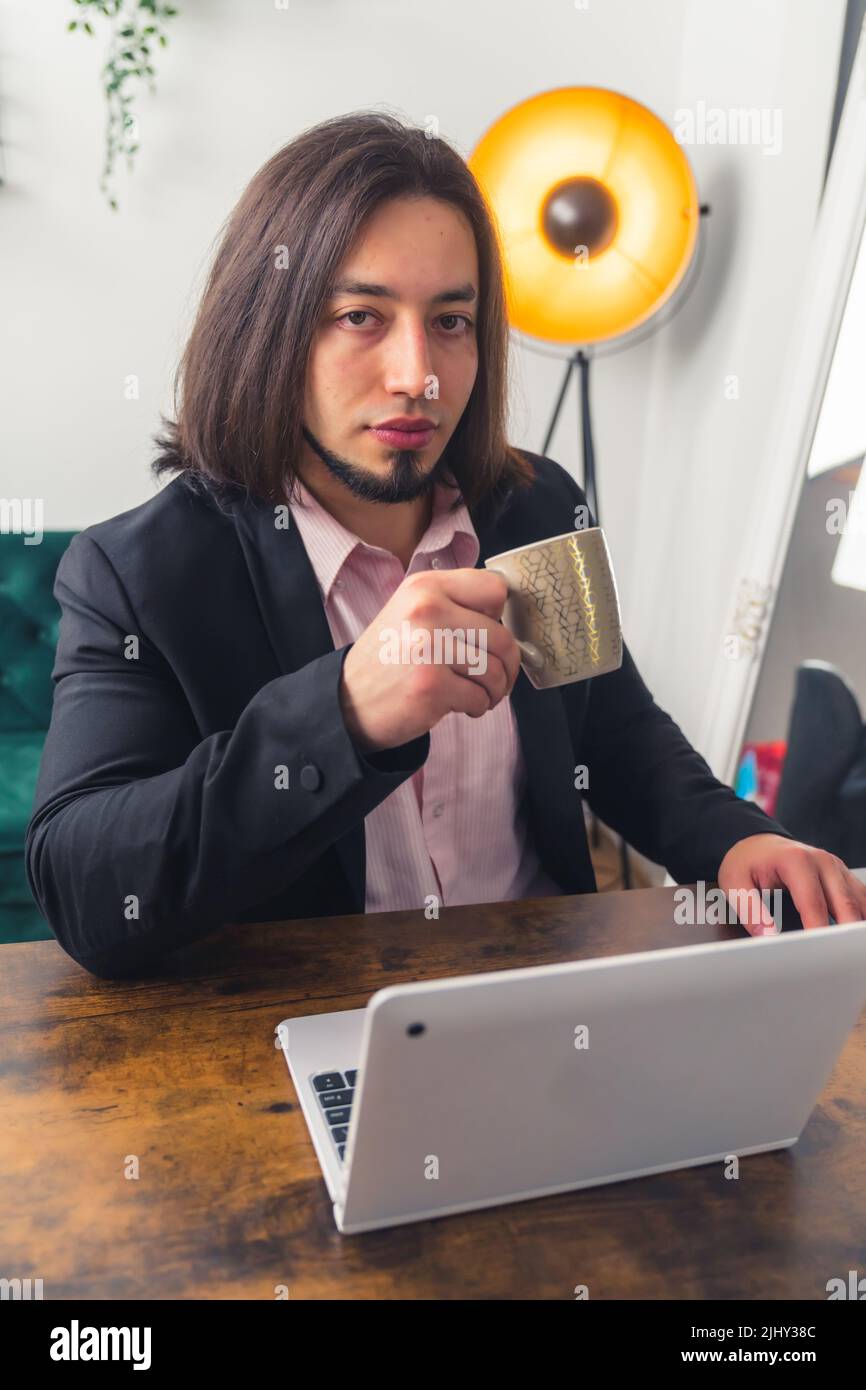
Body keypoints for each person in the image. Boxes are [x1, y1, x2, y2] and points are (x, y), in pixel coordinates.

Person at [26, 111, 866, 978]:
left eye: (452, 321)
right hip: (304, 1034)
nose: (417, 374)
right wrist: (343, 715)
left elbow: (616, 733)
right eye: (361, 315)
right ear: (268, 332)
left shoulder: (539, 508)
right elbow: (87, 891)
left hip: (546, 999)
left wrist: (732, 840)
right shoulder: (136, 575)